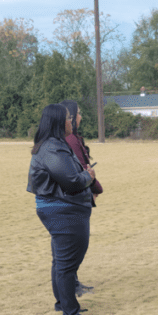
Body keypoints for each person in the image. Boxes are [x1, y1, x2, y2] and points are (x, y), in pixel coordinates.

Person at [27, 104, 97, 315]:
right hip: (63, 210)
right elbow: (72, 181)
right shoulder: (53, 148)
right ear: (59, 122)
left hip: (62, 209)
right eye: (68, 118)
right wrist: (89, 176)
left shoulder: (54, 145)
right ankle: (71, 313)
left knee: (61, 261)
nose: (72, 121)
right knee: (67, 263)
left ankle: (64, 304)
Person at [59, 100, 102, 298]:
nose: (80, 116)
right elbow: (81, 170)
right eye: (78, 113)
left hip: (74, 196)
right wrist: (95, 188)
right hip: (75, 199)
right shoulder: (71, 140)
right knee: (74, 245)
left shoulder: (70, 139)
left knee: (71, 245)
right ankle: (72, 285)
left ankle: (72, 283)